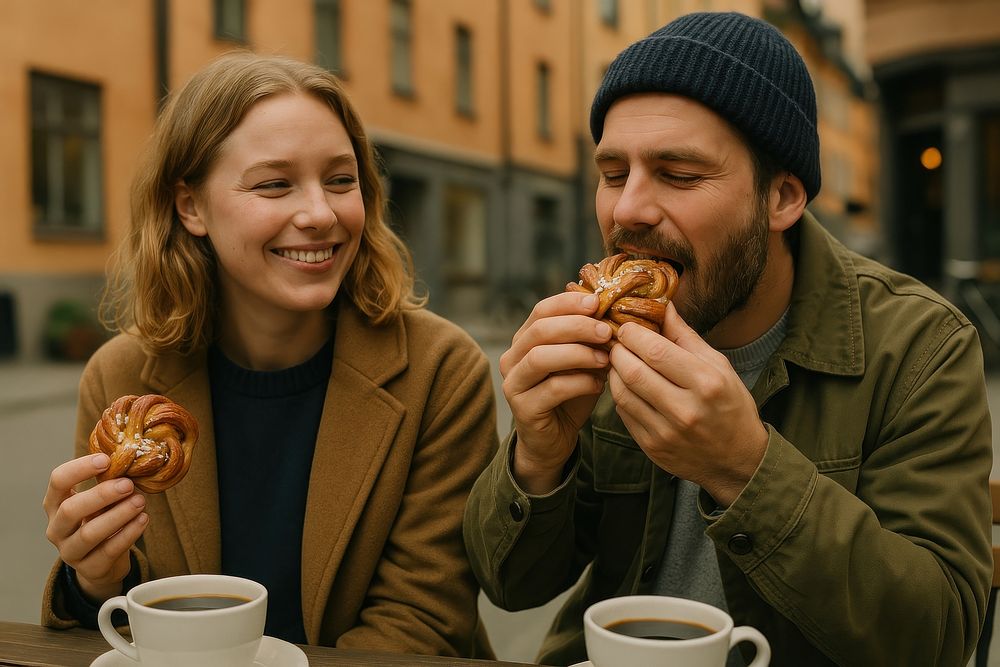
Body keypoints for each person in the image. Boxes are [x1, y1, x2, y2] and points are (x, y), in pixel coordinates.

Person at [463, 11, 993, 667]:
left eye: (679, 174)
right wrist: (538, 460)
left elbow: (935, 638)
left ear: (783, 197)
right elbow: (510, 585)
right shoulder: (605, 337)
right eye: (612, 171)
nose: (628, 208)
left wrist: (743, 466)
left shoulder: (919, 345)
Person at [41, 51, 499, 658]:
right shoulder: (122, 380)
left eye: (341, 179)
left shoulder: (440, 371)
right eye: (274, 184)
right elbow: (125, 626)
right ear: (191, 206)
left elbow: (420, 622)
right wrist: (93, 578)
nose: (320, 213)